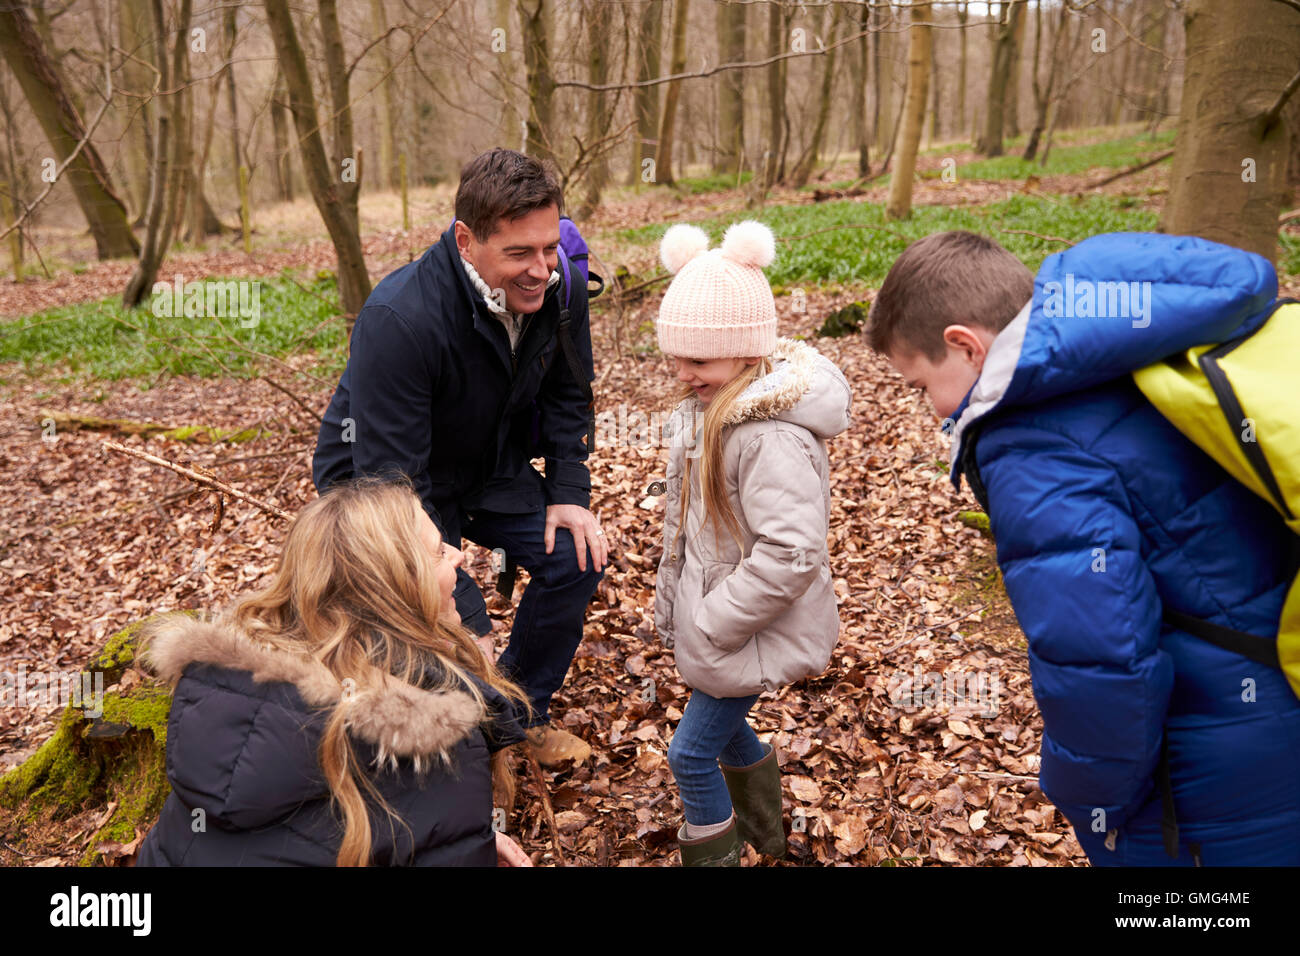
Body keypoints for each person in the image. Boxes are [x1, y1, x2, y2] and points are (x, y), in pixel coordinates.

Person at [868, 229, 1300, 865]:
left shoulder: (1030, 446)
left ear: (965, 344)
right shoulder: (1129, 354)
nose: (930, 411)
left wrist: (1091, 800)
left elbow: (1103, 664)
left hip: (1206, 773)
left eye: (919, 384)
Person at [312, 149, 606, 767]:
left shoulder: (560, 287)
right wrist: (464, 612)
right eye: (519, 254)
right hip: (380, 482)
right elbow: (390, 479)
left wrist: (570, 496)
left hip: (485, 458)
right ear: (467, 241)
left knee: (574, 558)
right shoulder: (401, 317)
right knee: (433, 615)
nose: (540, 269)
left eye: (548, 247)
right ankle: (451, 749)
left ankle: (516, 714)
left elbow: (568, 396)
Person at [136, 478, 534, 867]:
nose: (457, 554)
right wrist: (455, 835)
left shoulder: (223, 696)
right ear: (396, 590)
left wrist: (451, 835)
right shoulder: (426, 739)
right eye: (437, 552)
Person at [651, 220, 852, 866]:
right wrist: (673, 606)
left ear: (745, 352)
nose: (683, 374)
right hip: (726, 627)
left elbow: (792, 551)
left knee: (690, 753)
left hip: (747, 628)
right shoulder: (711, 415)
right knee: (729, 731)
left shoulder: (766, 436)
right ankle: (770, 840)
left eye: (699, 360)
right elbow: (688, 534)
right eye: (676, 358)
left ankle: (726, 856)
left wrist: (713, 619)